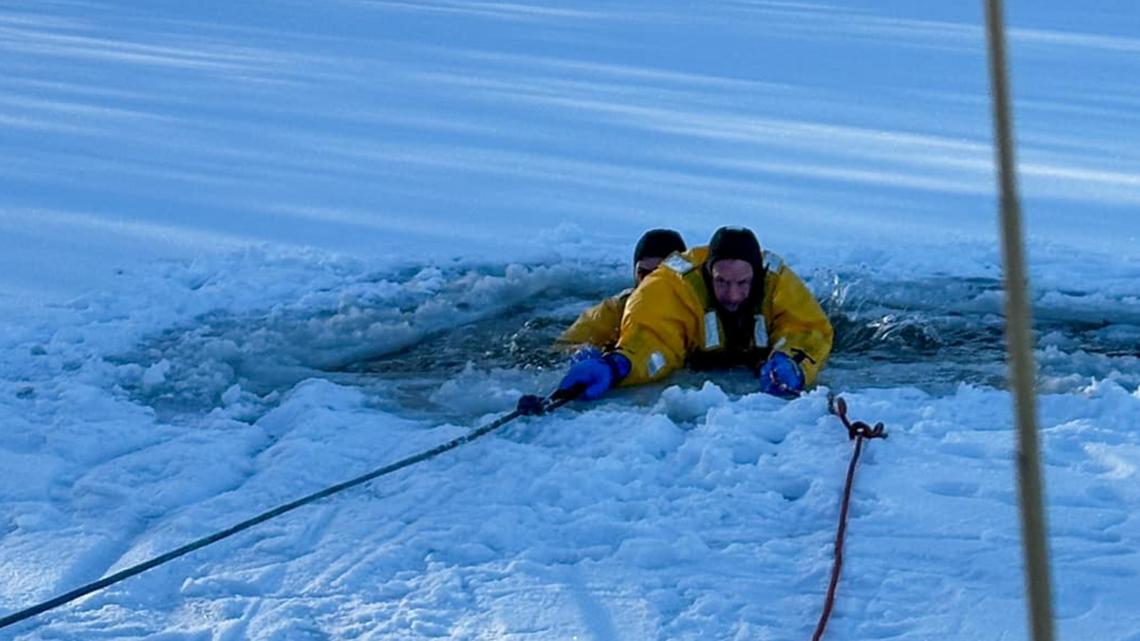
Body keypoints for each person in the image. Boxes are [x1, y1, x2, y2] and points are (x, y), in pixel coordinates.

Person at [557, 226, 832, 399]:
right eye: (722, 282)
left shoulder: (777, 286)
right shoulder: (664, 295)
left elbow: (806, 329)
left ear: (756, 278)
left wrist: (792, 362)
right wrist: (618, 365)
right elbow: (654, 339)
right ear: (708, 273)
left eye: (742, 283)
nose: (732, 295)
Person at [555, 228, 687, 352]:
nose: (649, 283)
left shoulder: (693, 310)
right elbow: (562, 348)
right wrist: (587, 356)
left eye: (658, 275)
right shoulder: (616, 311)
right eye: (643, 273)